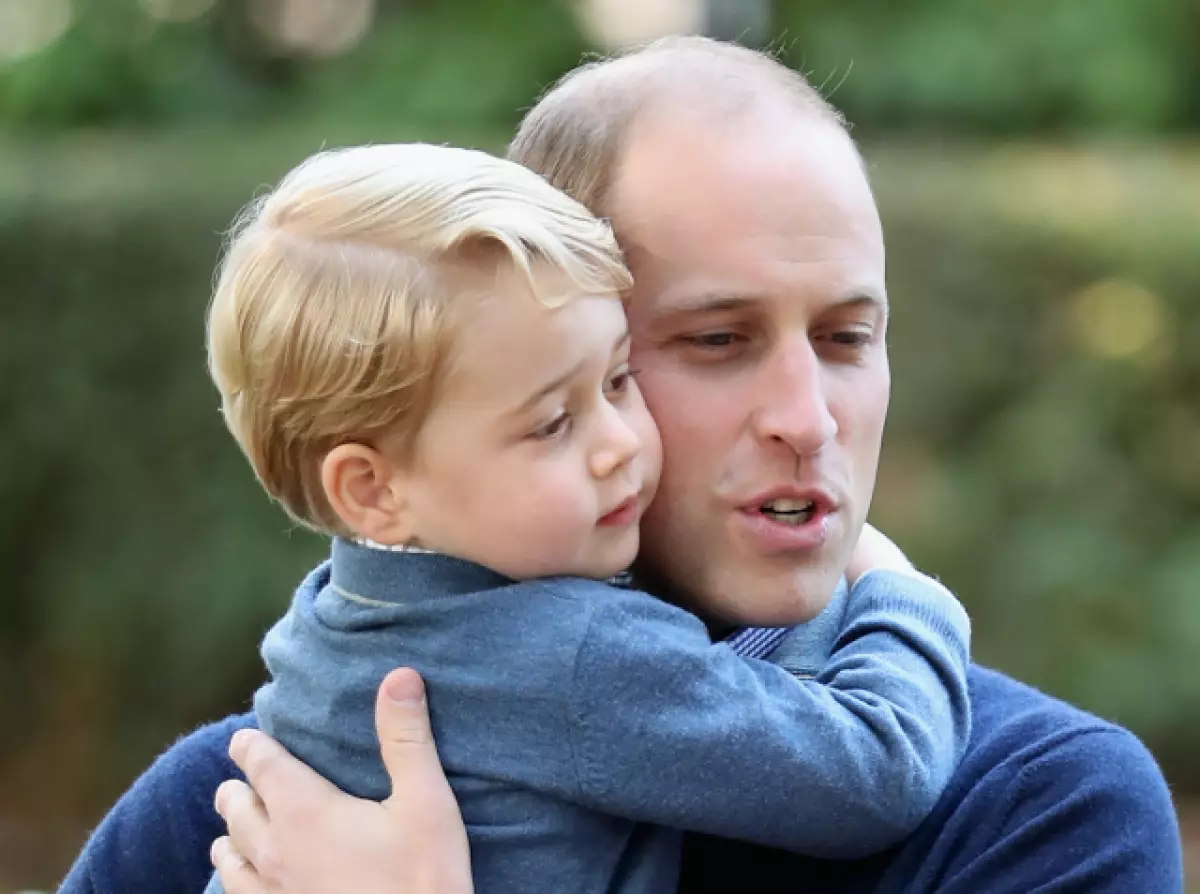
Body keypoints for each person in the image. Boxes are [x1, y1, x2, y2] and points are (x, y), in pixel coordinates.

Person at [60, 36, 1183, 894]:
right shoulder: (258, 807)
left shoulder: (1034, 812)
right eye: (715, 341)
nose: (809, 418)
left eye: (846, 338)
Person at [194, 140, 968, 894]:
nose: (620, 443)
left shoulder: (326, 624)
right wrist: (903, 594)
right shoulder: (582, 652)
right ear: (372, 491)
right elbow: (874, 770)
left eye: (620, 378)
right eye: (552, 425)